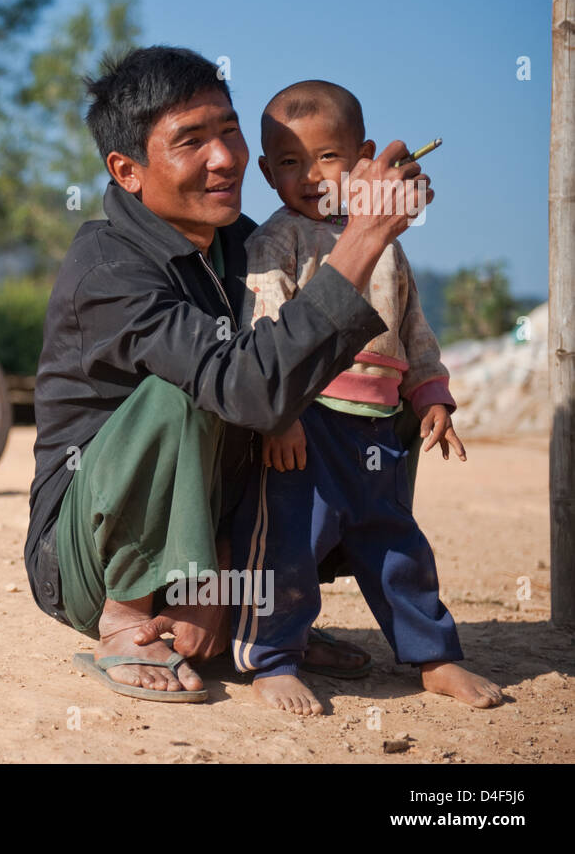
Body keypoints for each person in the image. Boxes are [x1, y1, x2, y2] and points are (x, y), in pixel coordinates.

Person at [24, 45, 430, 701]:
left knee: (372, 386)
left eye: (230, 131)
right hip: (88, 560)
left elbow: (295, 370)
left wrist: (214, 578)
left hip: (213, 532)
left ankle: (269, 613)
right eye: (192, 141)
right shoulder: (107, 270)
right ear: (126, 170)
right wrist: (361, 240)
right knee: (185, 392)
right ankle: (129, 618)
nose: (225, 158)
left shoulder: (253, 243)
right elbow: (244, 388)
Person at [230, 79, 504, 714]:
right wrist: (281, 416)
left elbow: (412, 329)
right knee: (286, 548)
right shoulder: (276, 242)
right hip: (309, 425)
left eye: (328, 157)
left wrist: (430, 396)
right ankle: (272, 659)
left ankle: (435, 657)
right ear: (268, 172)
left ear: (365, 158)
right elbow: (264, 332)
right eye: (290, 162)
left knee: (397, 543)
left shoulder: (385, 242)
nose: (310, 175)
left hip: (376, 429)